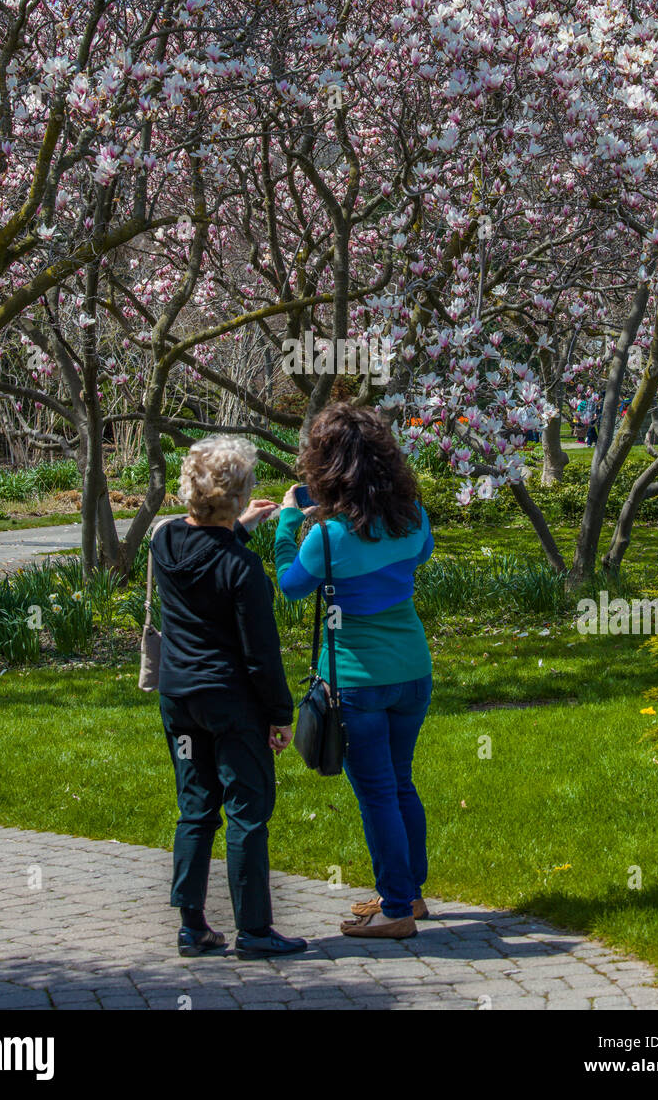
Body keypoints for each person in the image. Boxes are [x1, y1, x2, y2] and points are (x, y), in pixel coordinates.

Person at [275, 403, 435, 940]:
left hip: (358, 681)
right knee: (401, 781)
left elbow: (291, 586)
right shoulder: (415, 516)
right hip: (413, 669)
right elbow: (420, 557)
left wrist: (286, 523)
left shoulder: (328, 539)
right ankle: (410, 895)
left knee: (377, 793)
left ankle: (394, 909)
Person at [151, 435, 307, 960]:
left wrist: (241, 527)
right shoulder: (244, 572)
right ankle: (256, 931)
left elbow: (203, 545)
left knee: (195, 808)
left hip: (179, 697)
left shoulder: (164, 543)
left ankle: (191, 925)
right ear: (238, 496)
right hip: (230, 702)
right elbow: (261, 656)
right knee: (246, 810)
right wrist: (280, 716)